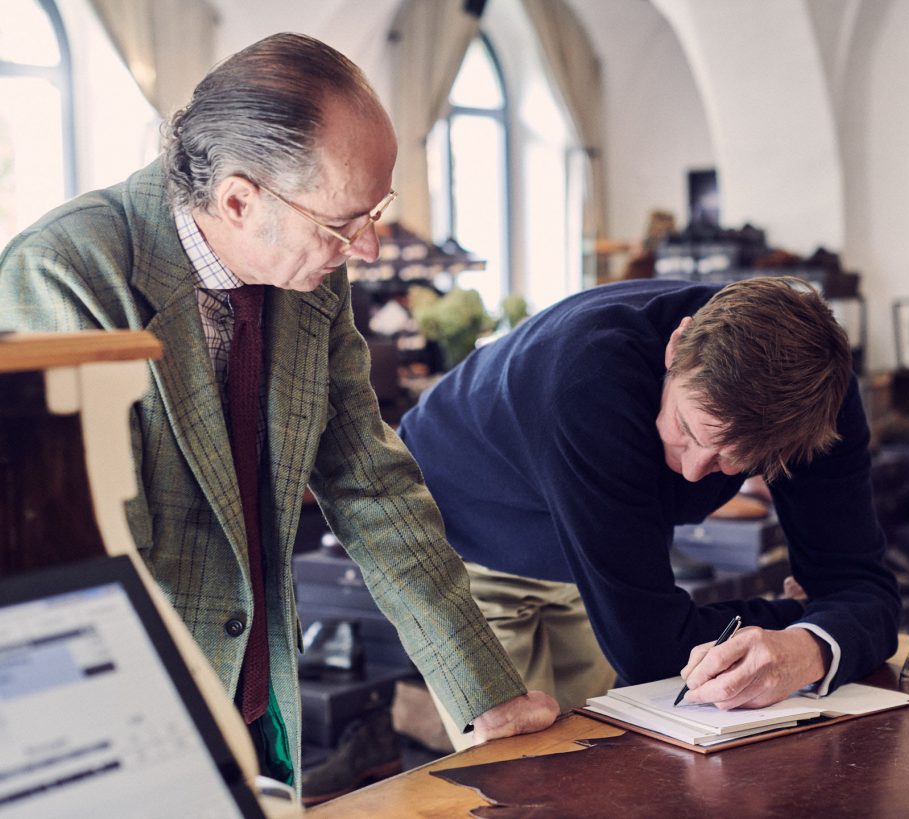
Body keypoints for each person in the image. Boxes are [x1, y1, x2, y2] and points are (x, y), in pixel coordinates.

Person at [0, 33, 556, 787]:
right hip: (133, 720)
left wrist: (484, 692)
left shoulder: (309, 276)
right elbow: (96, 553)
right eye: (342, 224)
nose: (365, 246)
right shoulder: (68, 271)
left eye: (375, 210)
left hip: (263, 693)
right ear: (237, 197)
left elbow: (370, 480)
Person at [399, 276, 901, 743]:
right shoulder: (588, 384)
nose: (693, 472)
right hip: (461, 527)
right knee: (519, 781)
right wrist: (812, 618)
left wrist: (807, 647)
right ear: (676, 347)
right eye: (686, 428)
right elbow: (649, 650)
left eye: (736, 461)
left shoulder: (813, 402)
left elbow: (865, 589)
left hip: (586, 539)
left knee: (601, 759)